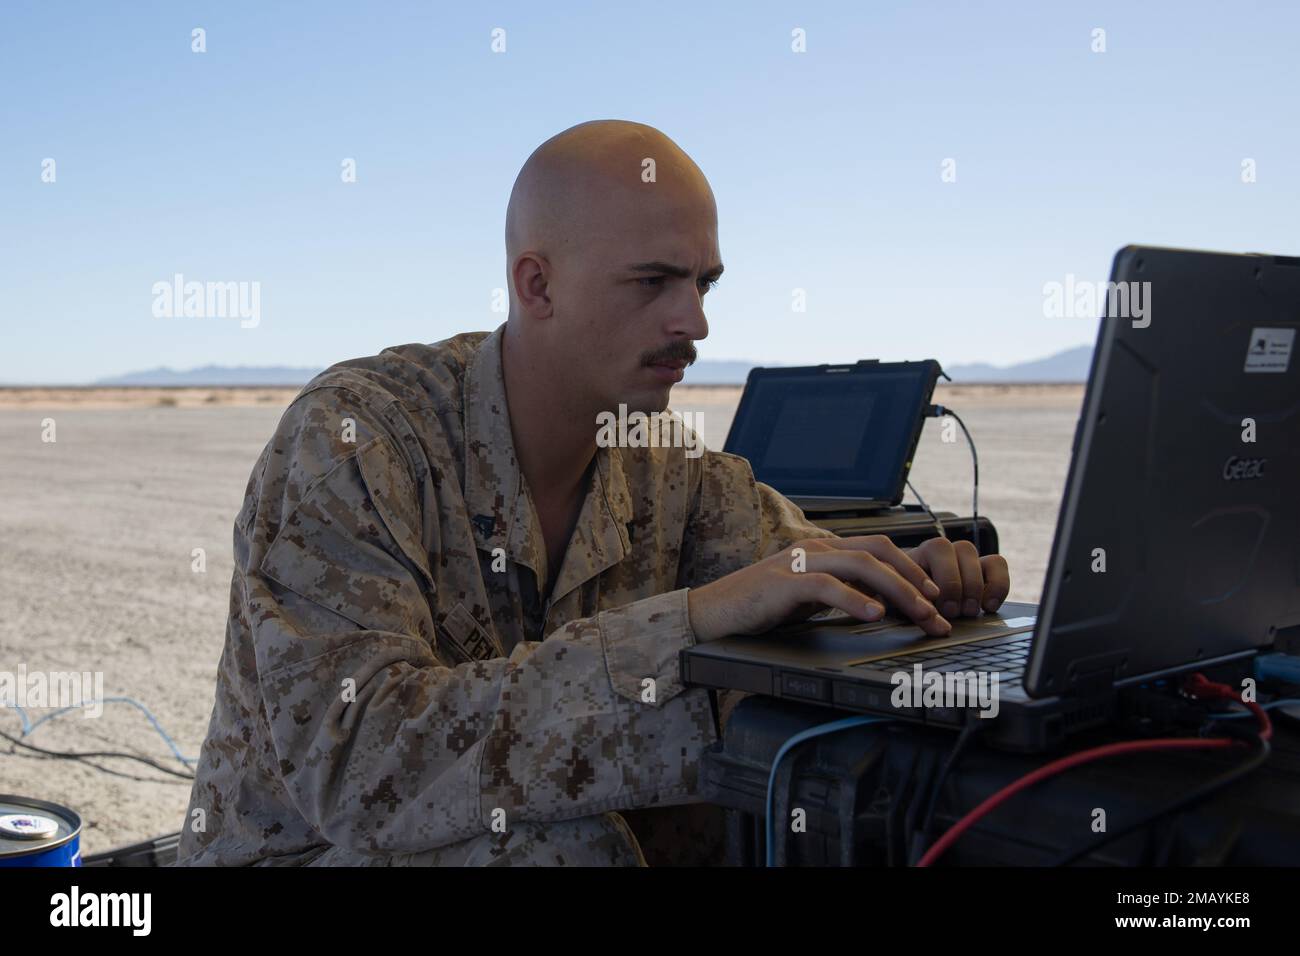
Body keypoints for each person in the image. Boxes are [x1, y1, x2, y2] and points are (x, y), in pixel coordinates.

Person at [174, 119, 1010, 866]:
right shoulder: (359, 441)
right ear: (537, 286)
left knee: (802, 796)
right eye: (653, 283)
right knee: (554, 853)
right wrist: (689, 626)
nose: (695, 323)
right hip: (309, 850)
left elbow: (801, 573)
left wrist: (913, 585)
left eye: (704, 284)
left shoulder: (659, 462)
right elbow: (360, 766)